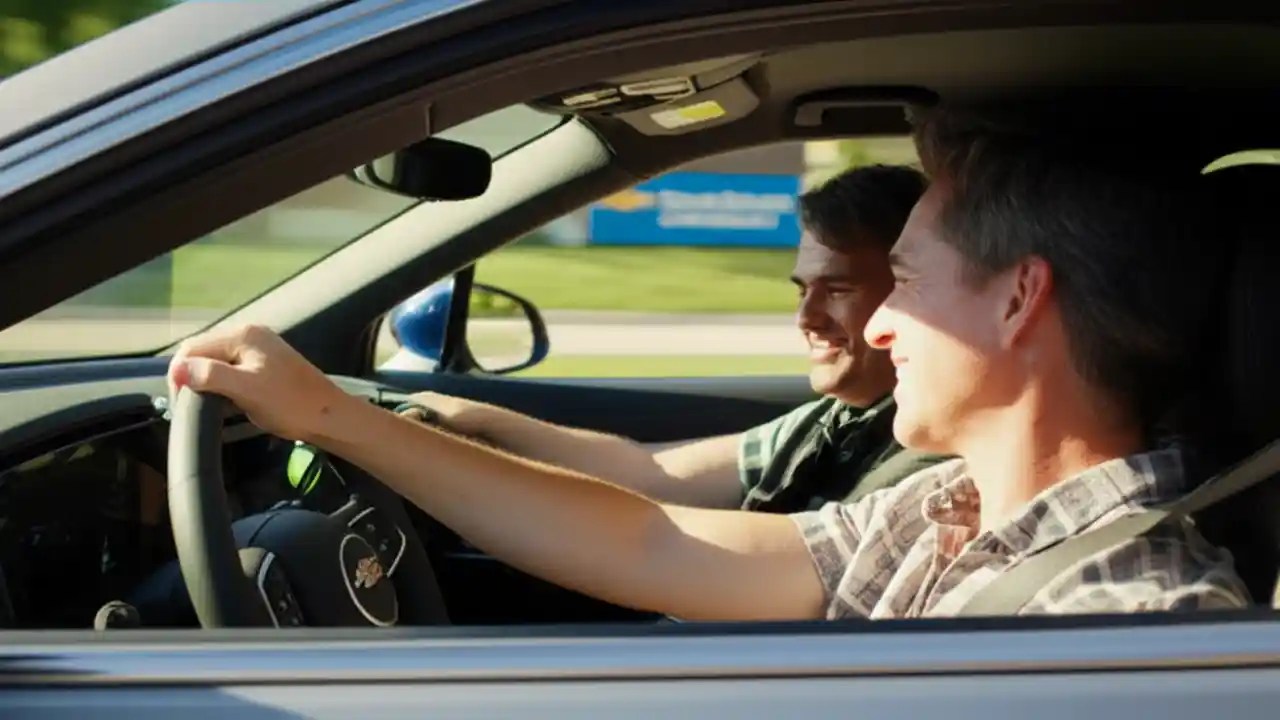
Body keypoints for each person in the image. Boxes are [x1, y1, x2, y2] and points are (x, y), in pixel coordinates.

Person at [168, 102, 1250, 620]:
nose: (874, 328)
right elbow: (653, 534)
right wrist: (340, 419)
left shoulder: (1131, 617)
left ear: (1018, 299)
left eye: (904, 285)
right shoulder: (940, 510)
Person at [398, 165, 945, 512]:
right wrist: (473, 420)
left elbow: (663, 546)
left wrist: (381, 442)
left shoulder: (927, 462)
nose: (806, 317)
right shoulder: (835, 422)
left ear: (916, 293)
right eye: (802, 289)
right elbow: (651, 474)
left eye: (839, 289)